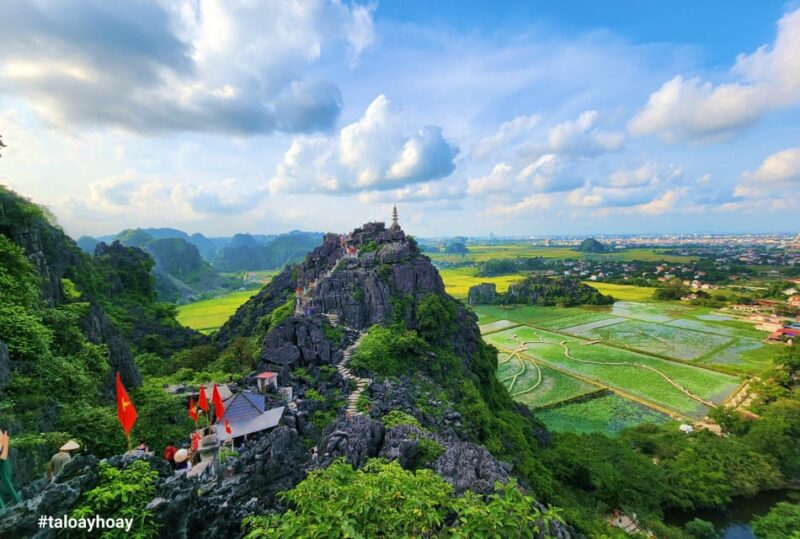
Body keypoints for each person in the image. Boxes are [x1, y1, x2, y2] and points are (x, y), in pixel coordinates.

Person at [0, 430, 22, 509]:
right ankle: (17, 501)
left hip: (2, 457)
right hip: (2, 457)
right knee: (7, 481)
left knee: (7, 481)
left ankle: (3, 508)